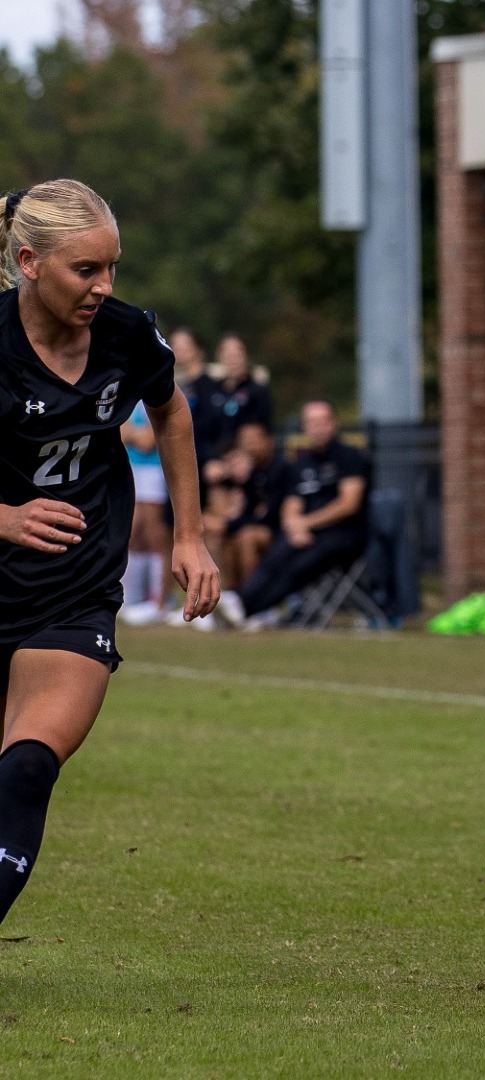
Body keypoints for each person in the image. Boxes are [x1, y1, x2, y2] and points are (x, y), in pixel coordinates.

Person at [0, 180, 220, 926]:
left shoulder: (129, 335)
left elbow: (171, 411)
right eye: (85, 270)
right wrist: (3, 517)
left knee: (27, 769)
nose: (104, 287)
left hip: (73, 586)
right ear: (29, 261)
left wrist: (189, 534)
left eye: (111, 268)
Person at [214, 400, 367, 629]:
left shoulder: (350, 457)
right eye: (311, 422)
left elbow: (348, 504)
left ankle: (252, 610)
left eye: (322, 421)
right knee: (279, 553)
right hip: (305, 532)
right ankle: (240, 601)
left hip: (342, 535)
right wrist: (293, 524)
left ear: (334, 424)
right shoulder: (302, 463)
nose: (317, 427)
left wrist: (306, 523)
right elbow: (292, 502)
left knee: (299, 564)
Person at [202, 421, 279, 589]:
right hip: (245, 525)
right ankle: (226, 593)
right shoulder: (242, 481)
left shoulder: (274, 471)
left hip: (275, 532)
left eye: (238, 459)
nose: (250, 446)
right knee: (223, 534)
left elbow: (266, 516)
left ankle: (250, 597)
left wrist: (225, 524)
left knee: (244, 536)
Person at [116, 400, 172, 624]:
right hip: (132, 467)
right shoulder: (130, 398)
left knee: (156, 536)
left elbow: (148, 441)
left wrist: (130, 431)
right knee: (134, 536)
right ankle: (134, 600)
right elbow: (116, 432)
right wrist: (131, 433)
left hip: (153, 470)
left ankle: (161, 601)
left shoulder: (152, 395)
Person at [189, 333, 272, 467]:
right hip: (212, 463)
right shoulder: (211, 392)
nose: (233, 360)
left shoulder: (258, 391)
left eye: (237, 354)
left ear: (245, 355)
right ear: (219, 357)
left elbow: (263, 433)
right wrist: (208, 462)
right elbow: (203, 431)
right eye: (228, 355)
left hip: (247, 464)